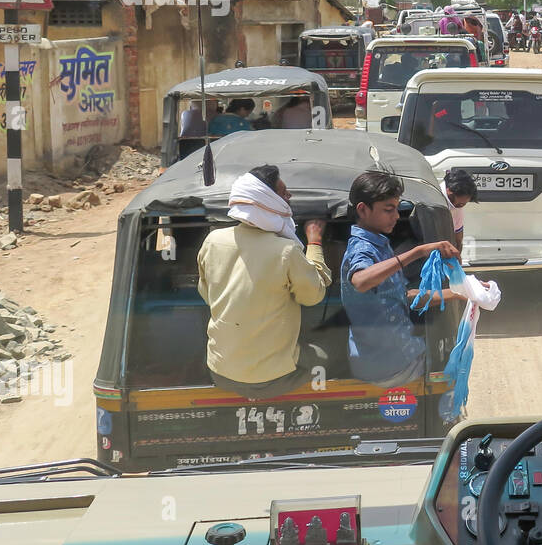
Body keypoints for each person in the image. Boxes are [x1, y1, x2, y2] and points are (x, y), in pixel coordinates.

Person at [197, 166, 331, 399]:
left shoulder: (212, 241)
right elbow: (313, 296)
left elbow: (207, 295)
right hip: (275, 378)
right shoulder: (286, 251)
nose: (289, 197)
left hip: (220, 372)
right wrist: (315, 242)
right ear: (266, 200)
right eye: (283, 192)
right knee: (329, 353)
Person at [341, 171, 462, 387]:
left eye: (397, 209)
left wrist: (461, 291)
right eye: (388, 210)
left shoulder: (380, 244)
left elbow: (405, 297)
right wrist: (417, 252)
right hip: (387, 367)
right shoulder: (361, 249)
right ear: (362, 209)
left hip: (401, 356)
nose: (396, 216)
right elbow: (360, 281)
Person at [443, 167, 480, 251]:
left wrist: (457, 259)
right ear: (449, 192)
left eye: (462, 204)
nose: (459, 206)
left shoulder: (457, 208)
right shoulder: (434, 200)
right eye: (460, 204)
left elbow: (458, 240)